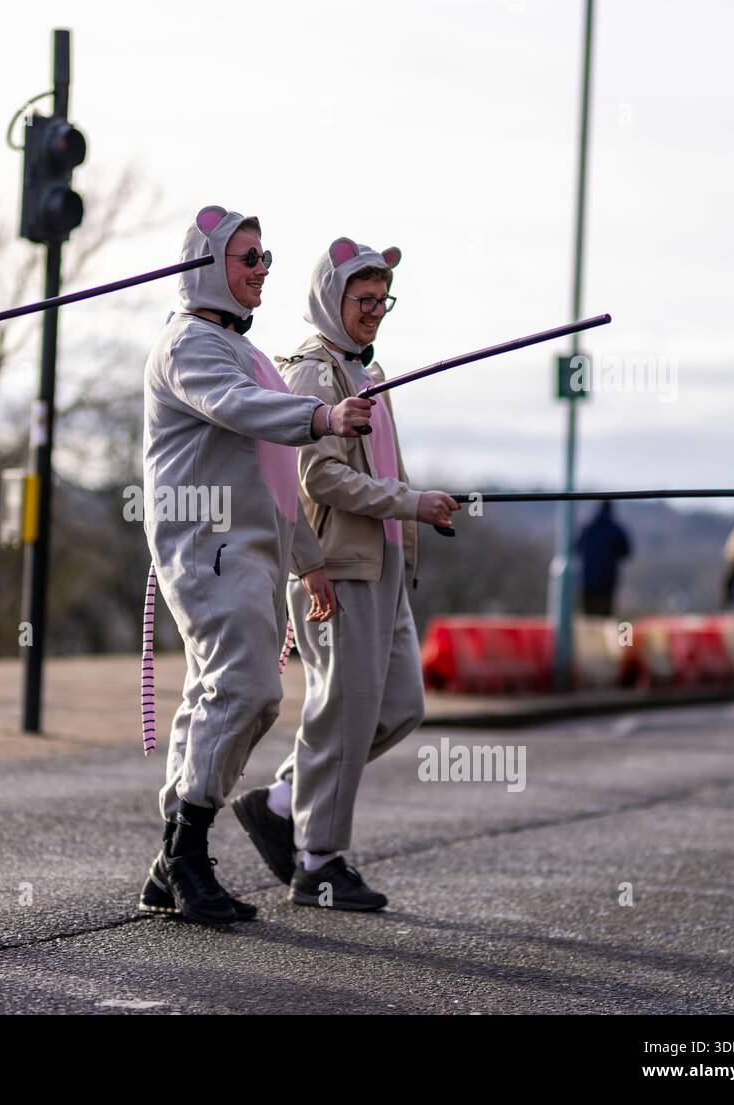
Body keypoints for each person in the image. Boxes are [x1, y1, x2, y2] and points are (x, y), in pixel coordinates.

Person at [137, 207, 373, 926]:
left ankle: (172, 860)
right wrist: (324, 418)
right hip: (207, 544)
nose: (262, 268)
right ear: (207, 266)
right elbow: (242, 411)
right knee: (246, 687)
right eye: (248, 257)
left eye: (266, 257)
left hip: (248, 551)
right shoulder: (190, 345)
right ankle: (184, 855)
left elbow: (274, 478)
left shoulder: (246, 350)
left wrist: (309, 562)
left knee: (222, 692)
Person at [230, 238, 459, 910]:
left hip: (384, 565)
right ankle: (319, 861)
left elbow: (384, 467)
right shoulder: (312, 375)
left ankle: (279, 800)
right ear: (331, 298)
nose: (375, 311)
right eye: (363, 299)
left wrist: (420, 510)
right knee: (343, 713)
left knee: (398, 707)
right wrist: (408, 501)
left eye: (382, 299)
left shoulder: (370, 370)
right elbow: (318, 478)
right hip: (338, 568)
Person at [576, 500, 632, 616]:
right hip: (607, 581)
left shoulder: (587, 528)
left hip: (587, 580)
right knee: (605, 619)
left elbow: (577, 549)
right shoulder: (616, 530)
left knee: (588, 619)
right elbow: (626, 552)